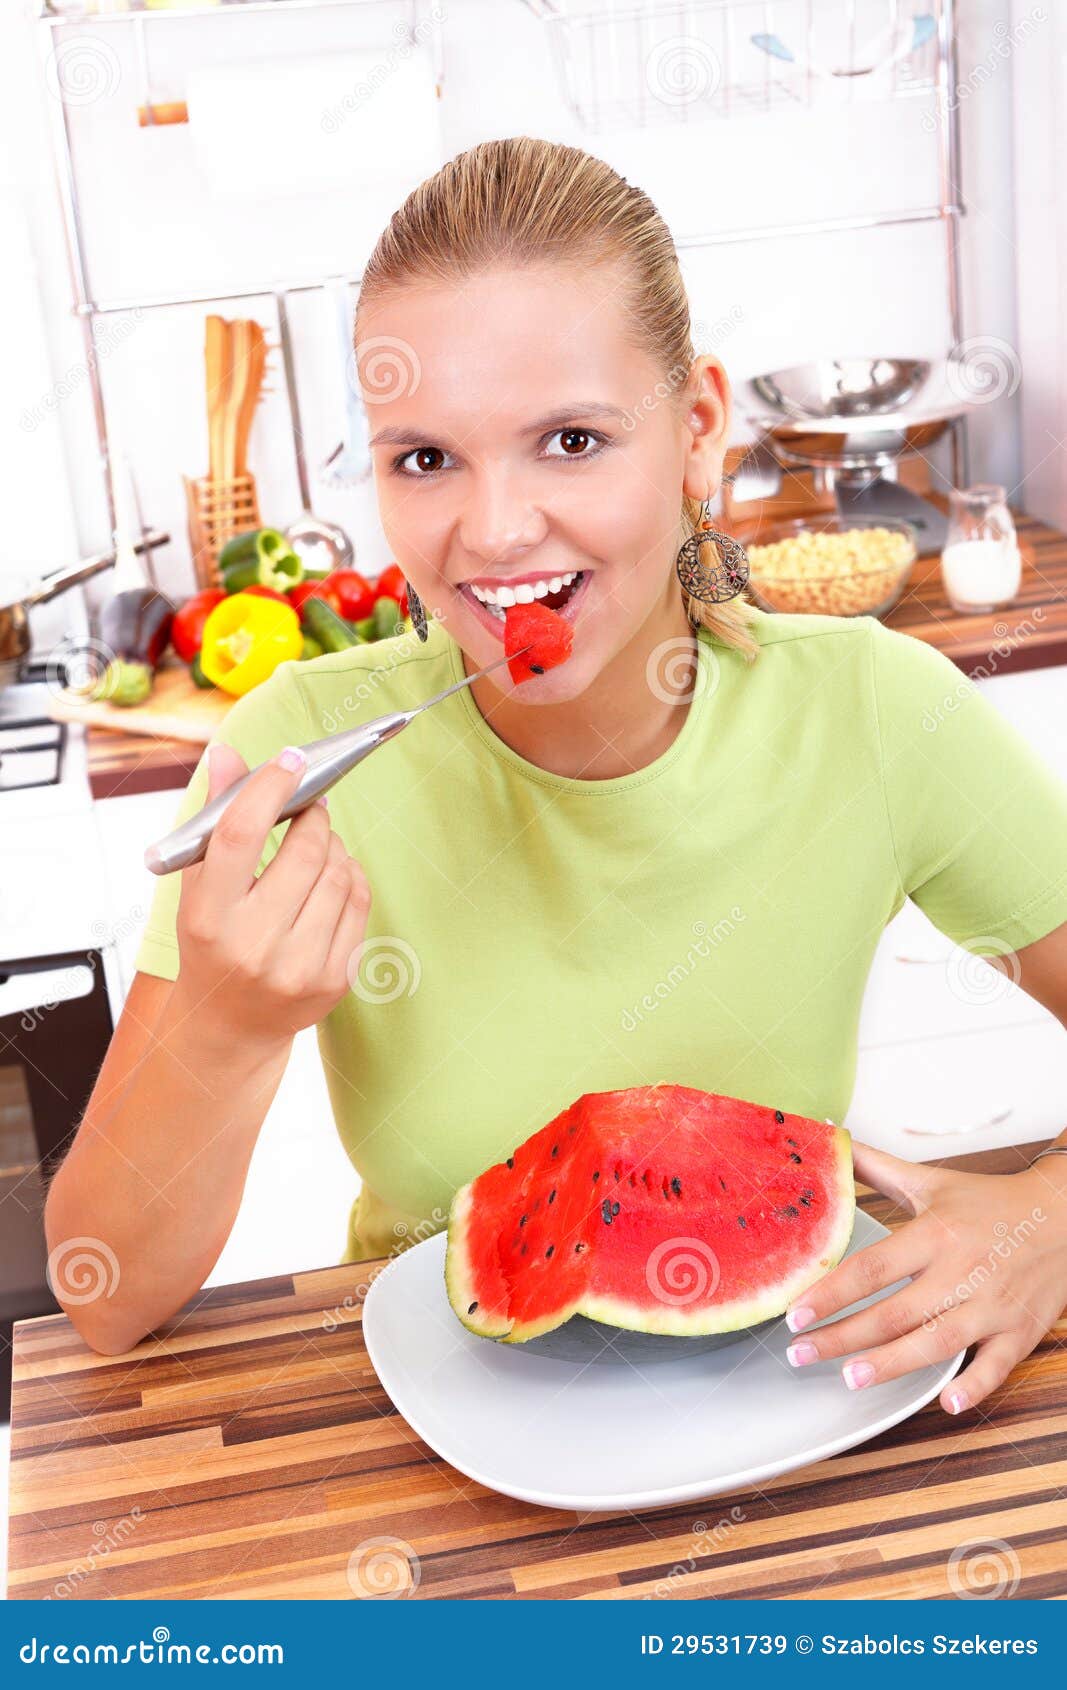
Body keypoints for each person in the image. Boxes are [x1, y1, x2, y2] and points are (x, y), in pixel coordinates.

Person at [46, 138, 1067, 1419]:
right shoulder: (294, 757)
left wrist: (1043, 1219)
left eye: (570, 440)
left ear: (697, 430)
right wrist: (223, 1026)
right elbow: (101, 1296)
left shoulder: (872, 710)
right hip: (427, 1468)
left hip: (794, 1417)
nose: (494, 529)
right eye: (426, 459)